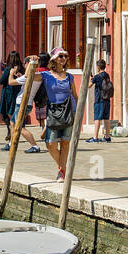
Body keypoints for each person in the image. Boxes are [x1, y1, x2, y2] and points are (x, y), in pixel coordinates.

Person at [39, 49, 76, 180]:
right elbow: (28, 77)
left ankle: (62, 172)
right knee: (50, 144)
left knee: (65, 143)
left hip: (69, 112)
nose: (64, 58)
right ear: (54, 59)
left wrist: (77, 114)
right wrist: (32, 63)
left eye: (65, 56)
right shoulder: (46, 75)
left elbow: (75, 96)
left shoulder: (69, 76)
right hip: (53, 112)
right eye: (61, 56)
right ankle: (64, 168)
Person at [3, 57, 41, 153]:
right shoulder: (38, 75)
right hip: (25, 103)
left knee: (19, 127)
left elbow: (10, 82)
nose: (24, 66)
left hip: (22, 104)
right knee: (13, 123)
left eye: (25, 64)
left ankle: (35, 146)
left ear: (28, 64)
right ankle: (12, 143)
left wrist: (11, 73)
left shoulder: (28, 77)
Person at [90, 59, 113, 142]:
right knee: (106, 119)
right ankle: (107, 136)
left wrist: (91, 79)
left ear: (98, 67)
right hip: (107, 99)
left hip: (99, 100)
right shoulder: (107, 75)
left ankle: (95, 137)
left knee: (97, 118)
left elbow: (89, 85)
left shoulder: (97, 76)